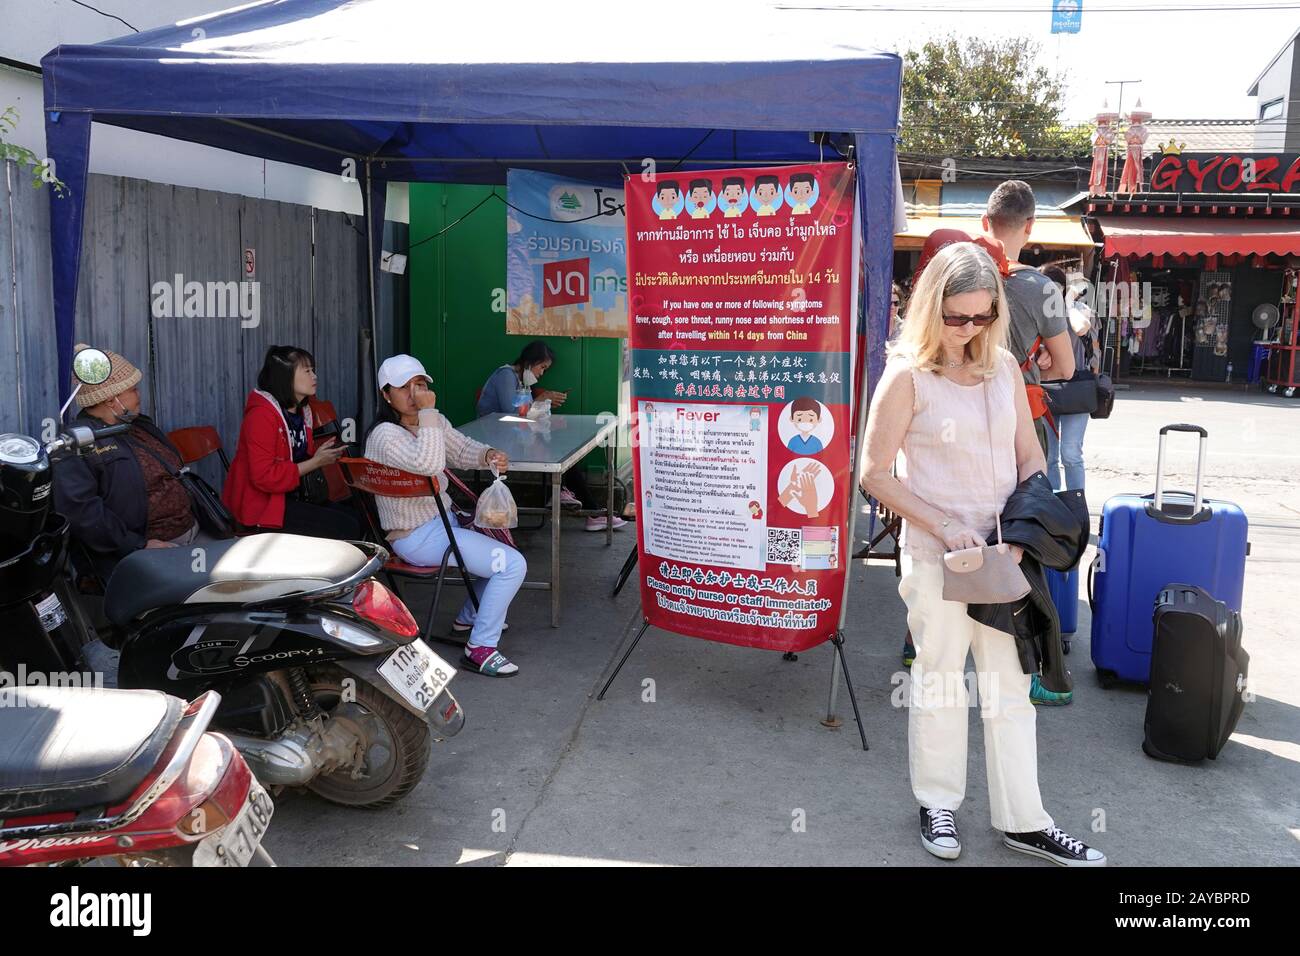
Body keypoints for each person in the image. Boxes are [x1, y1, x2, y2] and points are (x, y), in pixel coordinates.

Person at [861, 242, 1105, 867]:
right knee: (940, 680)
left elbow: (1030, 454)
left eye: (981, 316)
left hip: (1005, 558)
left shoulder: (1002, 369)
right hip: (938, 558)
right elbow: (875, 474)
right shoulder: (907, 375)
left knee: (1011, 688)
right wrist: (944, 525)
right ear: (929, 309)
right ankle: (937, 803)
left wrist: (1024, 526)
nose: (969, 330)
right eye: (956, 317)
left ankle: (1024, 821)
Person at [368, 354, 527, 677]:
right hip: (415, 537)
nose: (415, 394)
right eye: (404, 388)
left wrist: (487, 455)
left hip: (444, 524)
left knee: (499, 546)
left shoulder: (431, 422)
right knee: (512, 565)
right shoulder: (384, 435)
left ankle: (469, 616)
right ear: (386, 395)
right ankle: (479, 648)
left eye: (421, 385)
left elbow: (458, 449)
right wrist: (428, 412)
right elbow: (428, 464)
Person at [53, 345, 201, 582]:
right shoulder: (77, 443)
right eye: (133, 389)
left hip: (191, 533)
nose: (139, 395)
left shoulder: (140, 425)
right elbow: (80, 511)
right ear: (113, 400)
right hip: (149, 553)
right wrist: (138, 545)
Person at [477, 340, 626, 532]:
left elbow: (524, 415)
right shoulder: (506, 375)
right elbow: (511, 413)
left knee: (563, 450)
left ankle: (579, 502)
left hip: (514, 436)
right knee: (558, 452)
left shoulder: (522, 381)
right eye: (542, 367)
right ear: (530, 362)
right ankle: (588, 508)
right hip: (495, 440)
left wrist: (543, 405)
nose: (541, 373)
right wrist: (540, 399)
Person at [223, 346, 359, 540]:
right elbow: (264, 477)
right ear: (285, 376)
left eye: (313, 370)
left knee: (354, 517)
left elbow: (297, 454)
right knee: (344, 528)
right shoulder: (261, 416)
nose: (314, 376)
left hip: (293, 495)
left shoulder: (303, 411)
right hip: (265, 506)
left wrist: (320, 453)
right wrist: (316, 462)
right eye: (307, 371)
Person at [982, 181, 1076, 455]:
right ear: (1030, 224)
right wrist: (1033, 364)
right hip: (1018, 419)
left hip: (962, 412)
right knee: (1024, 496)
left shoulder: (958, 273)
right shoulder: (1042, 288)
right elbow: (1065, 369)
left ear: (985, 221)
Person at [1040, 268, 1097, 493]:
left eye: (1057, 288)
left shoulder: (1080, 309)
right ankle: (1054, 503)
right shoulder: (1040, 312)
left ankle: (1076, 505)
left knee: (1071, 453)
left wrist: (1069, 303)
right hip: (1046, 388)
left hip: (1076, 389)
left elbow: (1080, 328)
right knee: (1049, 455)